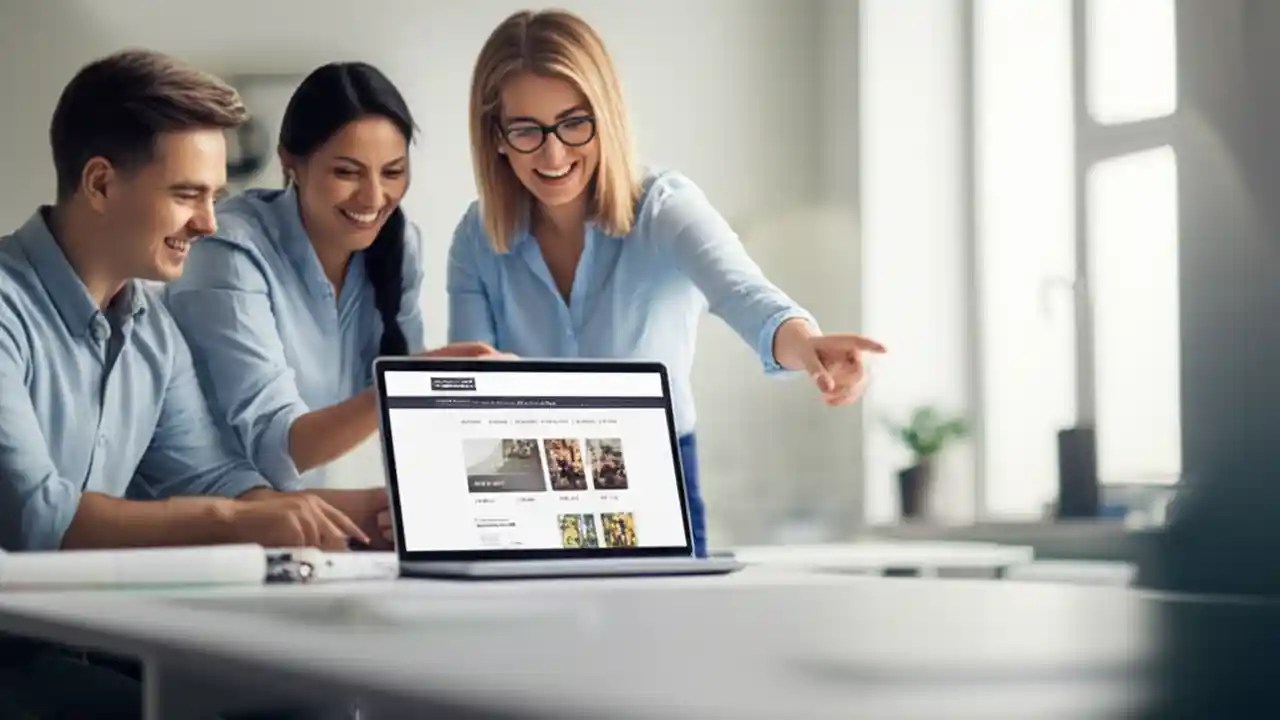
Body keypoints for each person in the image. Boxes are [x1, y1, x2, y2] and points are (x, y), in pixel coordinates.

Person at [0, 47, 383, 717]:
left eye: (214, 197)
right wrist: (240, 520)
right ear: (99, 184)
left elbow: (214, 477)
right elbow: (39, 518)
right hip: (12, 650)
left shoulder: (150, 328)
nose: (208, 223)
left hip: (80, 634)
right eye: (187, 195)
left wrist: (384, 512)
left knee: (317, 700)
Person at [450, 10, 887, 556]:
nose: (554, 153)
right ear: (496, 137)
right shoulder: (476, 238)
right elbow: (466, 389)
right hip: (525, 481)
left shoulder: (663, 208)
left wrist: (807, 346)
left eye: (573, 123)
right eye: (526, 131)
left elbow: (743, 293)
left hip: (651, 474)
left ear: (604, 117)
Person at [166, 62, 501, 507]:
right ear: (291, 163)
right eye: (347, 172)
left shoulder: (398, 246)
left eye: (393, 171)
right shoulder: (226, 251)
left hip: (275, 514)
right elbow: (279, 444)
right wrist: (417, 379)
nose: (374, 197)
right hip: (183, 524)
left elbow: (410, 431)